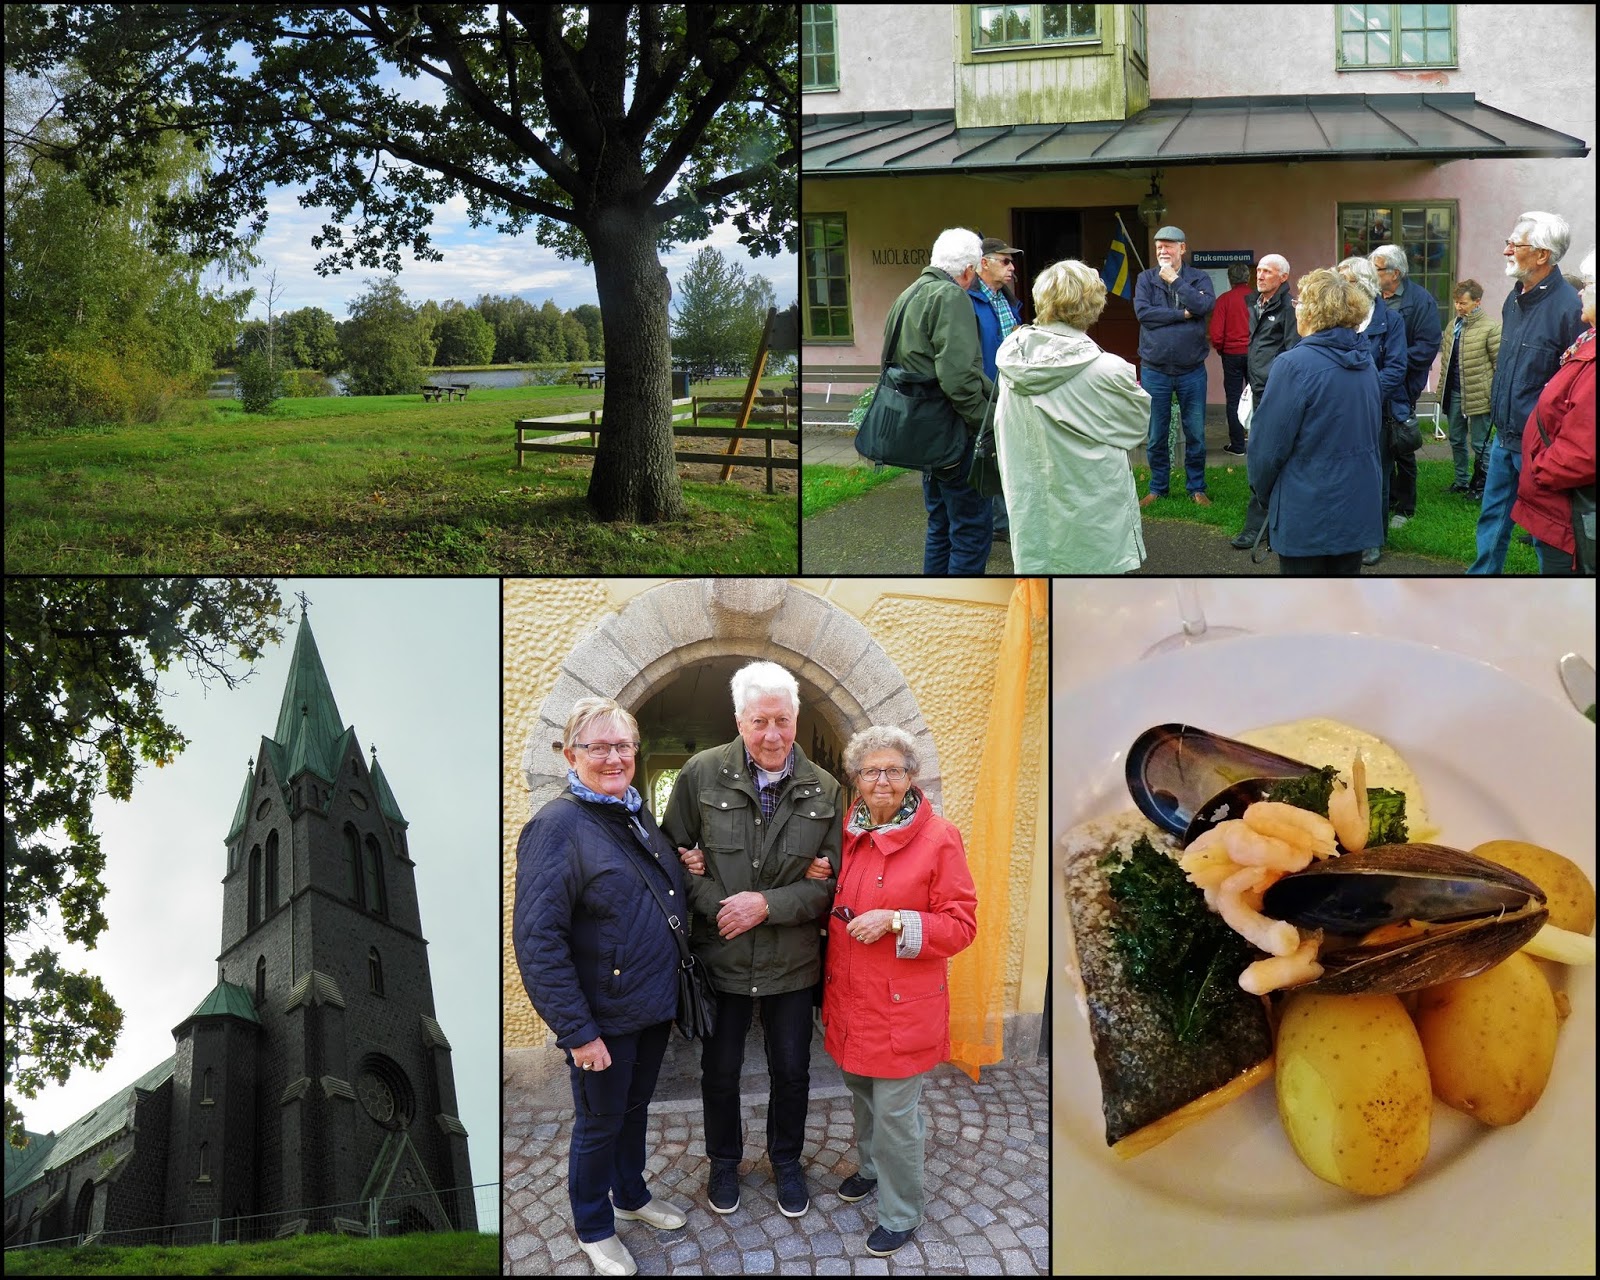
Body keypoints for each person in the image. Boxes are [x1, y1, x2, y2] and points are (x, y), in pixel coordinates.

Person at [515, 698, 690, 1277]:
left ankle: (632, 1196)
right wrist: (578, 1032)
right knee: (598, 1121)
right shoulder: (556, 825)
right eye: (598, 747)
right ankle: (594, 1226)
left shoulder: (633, 813)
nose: (613, 757)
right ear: (571, 756)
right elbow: (539, 941)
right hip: (602, 1017)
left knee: (633, 1109)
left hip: (648, 1004)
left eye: (623, 746)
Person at [661, 661, 842, 1222]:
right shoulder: (699, 774)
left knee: (792, 1070)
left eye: (783, 721)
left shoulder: (827, 788)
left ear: (797, 718)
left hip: (792, 962)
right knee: (720, 1071)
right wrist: (720, 903)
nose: (772, 735)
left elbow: (835, 885)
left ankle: (786, 1159)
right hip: (722, 956)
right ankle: (724, 1159)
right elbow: (671, 859)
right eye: (759, 721)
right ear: (738, 720)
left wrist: (766, 905)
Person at [820, 726, 977, 1258]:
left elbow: (961, 926)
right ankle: (869, 1168)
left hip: (902, 1007)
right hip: (852, 997)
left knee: (895, 1113)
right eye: (870, 771)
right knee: (863, 1095)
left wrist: (895, 920)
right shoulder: (851, 832)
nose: (881, 780)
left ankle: (901, 1210)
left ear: (911, 778)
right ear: (856, 781)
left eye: (893, 770)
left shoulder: (940, 838)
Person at [992, 258, 1151, 572]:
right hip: (1093, 508)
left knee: (1046, 604)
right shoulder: (1109, 369)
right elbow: (1135, 430)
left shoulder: (1014, 360)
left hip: (1032, 504)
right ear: (1093, 304)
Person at [1245, 268, 1384, 575]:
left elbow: (1267, 450)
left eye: (1299, 301)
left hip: (1307, 510)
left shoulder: (1292, 365)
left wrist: (1265, 494)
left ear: (1312, 311)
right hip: (1357, 503)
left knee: (1305, 610)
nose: (1295, 306)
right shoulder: (1366, 362)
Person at [1470, 211, 1586, 574]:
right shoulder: (1513, 298)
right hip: (1504, 437)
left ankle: (1545, 605)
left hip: (1540, 447)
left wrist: (1555, 449)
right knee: (1492, 521)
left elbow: (1576, 390)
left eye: (1515, 244)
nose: (1506, 251)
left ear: (1542, 255)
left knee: (1544, 533)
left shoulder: (1570, 308)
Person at [879, 228, 994, 574]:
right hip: (951, 434)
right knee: (971, 532)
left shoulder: (908, 293)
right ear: (970, 270)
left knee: (941, 526)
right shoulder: (950, 296)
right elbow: (958, 378)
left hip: (923, 433)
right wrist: (983, 423)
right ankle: (961, 611)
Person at [1511, 259, 1595, 574]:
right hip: (1560, 511)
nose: (1581, 293)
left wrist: (1540, 470)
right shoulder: (1588, 343)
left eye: (1589, 285)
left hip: (1569, 516)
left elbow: (1583, 453)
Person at [1134, 225, 1216, 507]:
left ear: (1182, 248)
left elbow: (1205, 307)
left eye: (1168, 246)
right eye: (1158, 247)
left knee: (1195, 432)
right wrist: (1182, 313)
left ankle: (1197, 487)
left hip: (1191, 369)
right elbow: (1144, 314)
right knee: (1156, 434)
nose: (1162, 251)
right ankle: (1158, 487)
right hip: (1154, 369)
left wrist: (1175, 281)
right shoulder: (1145, 278)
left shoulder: (1198, 278)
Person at [1338, 255, 1411, 567]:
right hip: (1341, 411)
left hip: (1376, 411)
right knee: (1344, 473)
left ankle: (1372, 539)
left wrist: (1362, 394)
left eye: (1345, 282)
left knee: (1377, 476)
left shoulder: (1390, 321)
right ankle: (1344, 532)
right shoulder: (1341, 318)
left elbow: (1396, 369)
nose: (1339, 288)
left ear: (1363, 284)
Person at [1227, 254, 1300, 549]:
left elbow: (1293, 353)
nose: (1260, 275)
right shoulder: (1255, 304)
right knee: (1260, 456)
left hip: (1277, 394)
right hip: (1257, 390)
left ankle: (1260, 525)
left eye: (1268, 272)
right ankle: (1266, 522)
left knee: (1267, 458)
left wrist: (1274, 383)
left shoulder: (1288, 309)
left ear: (1283, 277)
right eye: (1259, 270)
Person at [1371, 243, 1441, 529]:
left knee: (1402, 442)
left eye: (1376, 269)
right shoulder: (1374, 297)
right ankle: (1386, 499)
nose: (1371, 274)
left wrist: (1393, 357)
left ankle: (1406, 506)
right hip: (1377, 383)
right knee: (1380, 443)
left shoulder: (1420, 300)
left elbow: (1427, 348)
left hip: (1403, 384)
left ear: (1394, 273)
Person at [970, 237, 1022, 540]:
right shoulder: (969, 299)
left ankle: (1002, 522)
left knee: (1003, 454)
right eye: (1005, 261)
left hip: (1007, 388)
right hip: (984, 390)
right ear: (983, 264)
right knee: (986, 454)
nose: (1012, 267)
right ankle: (994, 523)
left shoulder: (1005, 298)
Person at [1437, 280, 1501, 496]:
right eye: (1456, 302)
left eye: (1463, 303)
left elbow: (1499, 366)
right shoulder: (1452, 325)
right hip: (1454, 392)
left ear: (1477, 302)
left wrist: (1494, 396)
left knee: (1480, 443)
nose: (1458, 307)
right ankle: (1461, 481)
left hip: (1480, 395)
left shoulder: (1491, 327)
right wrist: (1441, 393)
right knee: (1455, 438)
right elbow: (1446, 364)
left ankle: (1485, 486)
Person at [1210, 262, 1253, 455]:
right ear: (1248, 278)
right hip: (1255, 354)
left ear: (1229, 278)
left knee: (1234, 399)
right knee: (1257, 397)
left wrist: (1222, 349)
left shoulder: (1224, 300)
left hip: (1232, 355)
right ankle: (1257, 441)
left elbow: (1216, 333)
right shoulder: (1258, 298)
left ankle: (1237, 445)